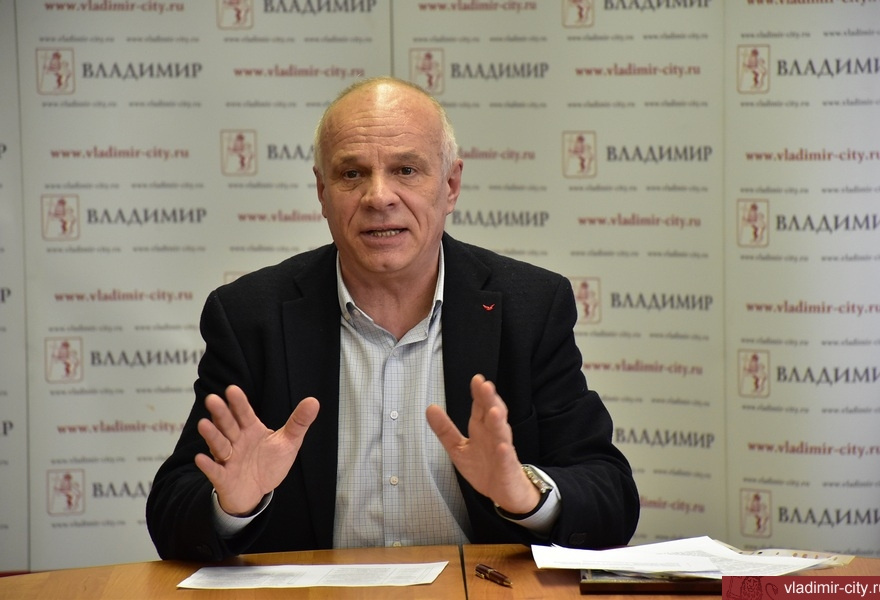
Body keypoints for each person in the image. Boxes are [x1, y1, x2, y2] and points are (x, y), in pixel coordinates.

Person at [146, 77, 639, 561]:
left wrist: (526, 494)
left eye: (406, 170)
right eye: (352, 174)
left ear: (450, 185)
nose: (379, 197)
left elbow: (610, 496)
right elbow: (173, 511)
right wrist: (232, 505)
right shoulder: (250, 316)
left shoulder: (530, 306)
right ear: (321, 190)